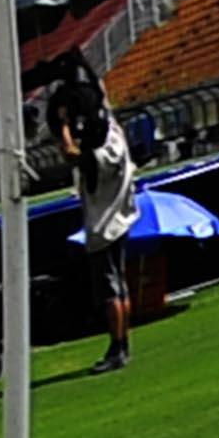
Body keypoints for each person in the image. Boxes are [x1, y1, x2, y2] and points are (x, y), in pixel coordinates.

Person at [60, 77, 139, 374]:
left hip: (103, 228)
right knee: (121, 286)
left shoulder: (97, 158)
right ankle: (123, 343)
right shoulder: (115, 140)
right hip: (121, 220)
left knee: (109, 292)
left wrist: (64, 126)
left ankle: (117, 347)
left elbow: (71, 154)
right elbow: (103, 102)